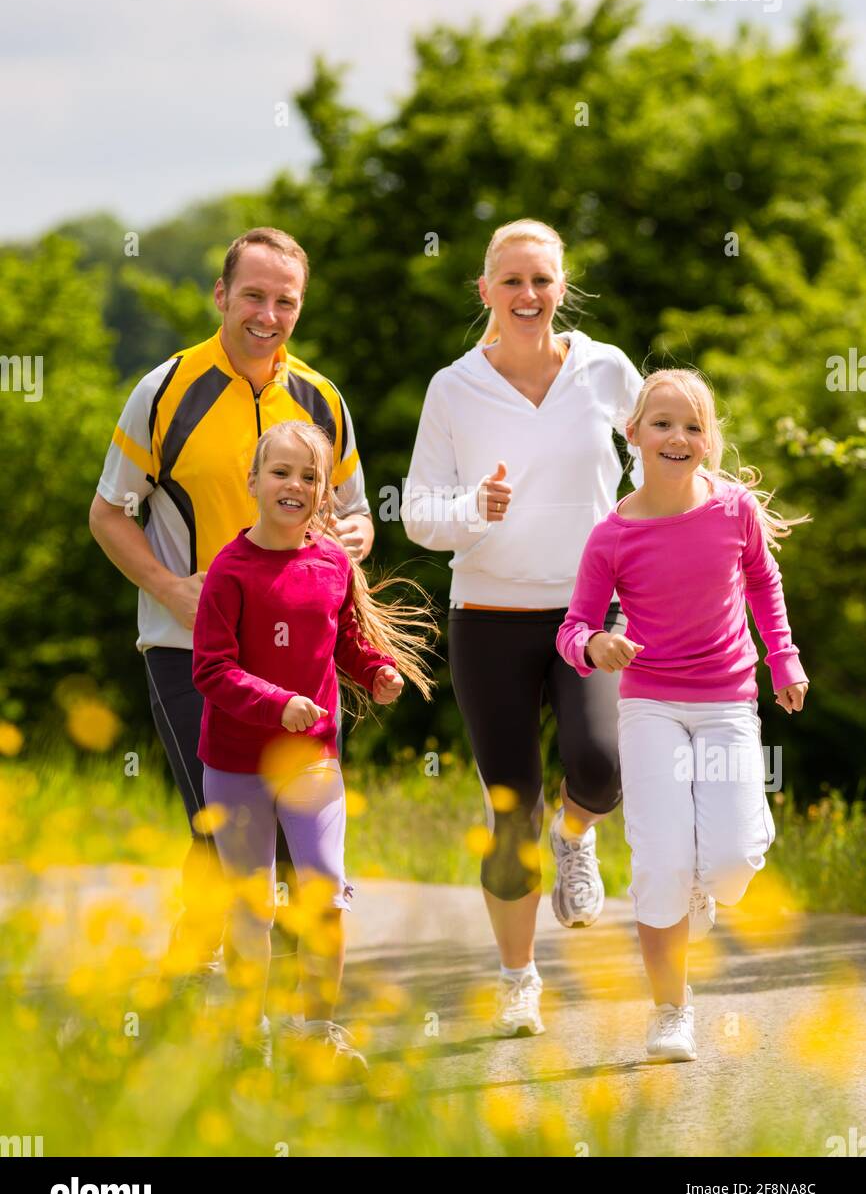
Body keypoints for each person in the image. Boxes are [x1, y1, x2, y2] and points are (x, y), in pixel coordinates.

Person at [89, 227, 375, 978]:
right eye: (253, 295)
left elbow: (358, 515)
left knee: (282, 833)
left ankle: (242, 1000)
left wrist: (352, 538)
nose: (267, 314)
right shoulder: (165, 390)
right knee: (221, 818)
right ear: (221, 295)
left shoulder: (320, 398)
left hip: (299, 654)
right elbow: (108, 513)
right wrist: (168, 586)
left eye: (285, 300)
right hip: (191, 649)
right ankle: (211, 988)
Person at [401, 218, 644, 1037]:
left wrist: (671, 523)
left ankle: (579, 839)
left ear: (562, 287)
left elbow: (666, 447)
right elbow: (419, 515)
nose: (528, 296)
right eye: (512, 281)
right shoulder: (453, 388)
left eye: (542, 280)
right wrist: (474, 511)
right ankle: (518, 979)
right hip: (491, 618)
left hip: (592, 607)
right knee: (513, 810)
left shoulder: (605, 370)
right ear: (485, 291)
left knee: (601, 765)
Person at [557, 368, 808, 1063]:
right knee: (661, 862)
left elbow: (763, 580)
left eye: (694, 425)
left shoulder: (734, 511)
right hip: (650, 706)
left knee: (730, 863)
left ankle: (710, 877)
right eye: (662, 423)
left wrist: (782, 659)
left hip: (728, 701)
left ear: (709, 443)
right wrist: (596, 645)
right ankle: (671, 1011)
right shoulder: (611, 535)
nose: (678, 436)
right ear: (632, 434)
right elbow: (573, 628)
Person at [193, 419, 435, 1070]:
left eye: (309, 476)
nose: (294, 485)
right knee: (253, 908)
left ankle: (316, 1033)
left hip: (314, 760)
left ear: (325, 493)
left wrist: (376, 669)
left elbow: (345, 639)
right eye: (281, 472)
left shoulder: (330, 563)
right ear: (253, 482)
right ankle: (247, 1038)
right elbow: (210, 671)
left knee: (323, 896)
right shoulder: (229, 570)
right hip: (238, 764)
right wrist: (279, 704)